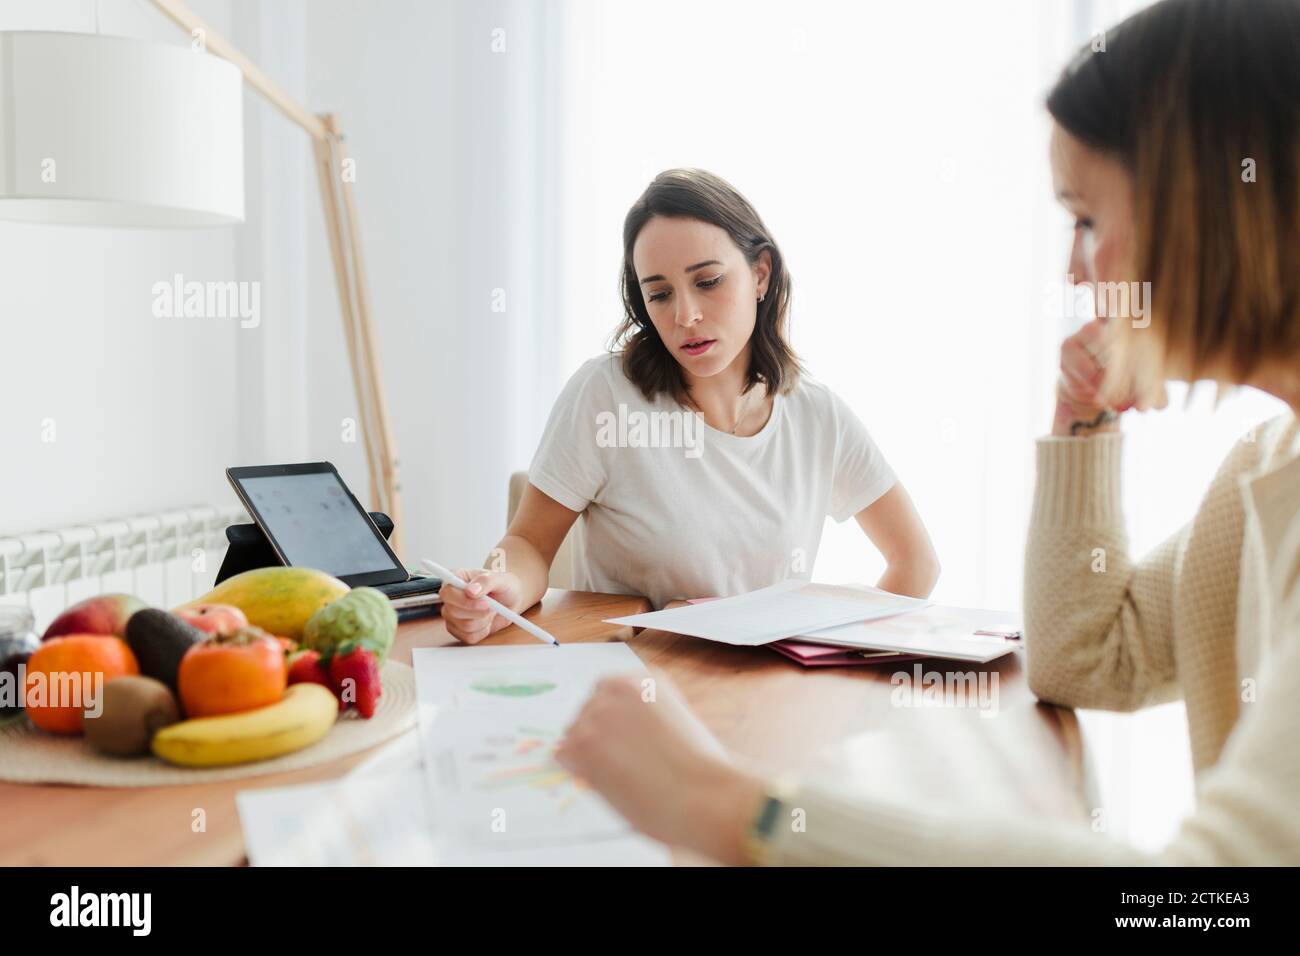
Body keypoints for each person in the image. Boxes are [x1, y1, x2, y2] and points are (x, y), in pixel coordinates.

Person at [554, 0, 1300, 865]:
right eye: (657, 292)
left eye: (1087, 219)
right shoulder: (1267, 469)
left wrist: (744, 814)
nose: (1072, 267)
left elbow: (1205, 899)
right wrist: (1078, 425)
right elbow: (1087, 655)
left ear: (1218, 203)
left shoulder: (814, 409)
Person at [439, 168, 939, 643]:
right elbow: (528, 544)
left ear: (760, 274)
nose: (685, 316)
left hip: (759, 699)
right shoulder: (605, 396)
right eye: (658, 294)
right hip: (638, 688)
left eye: (707, 282)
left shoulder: (817, 416)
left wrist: (830, 650)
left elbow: (916, 562)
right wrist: (497, 587)